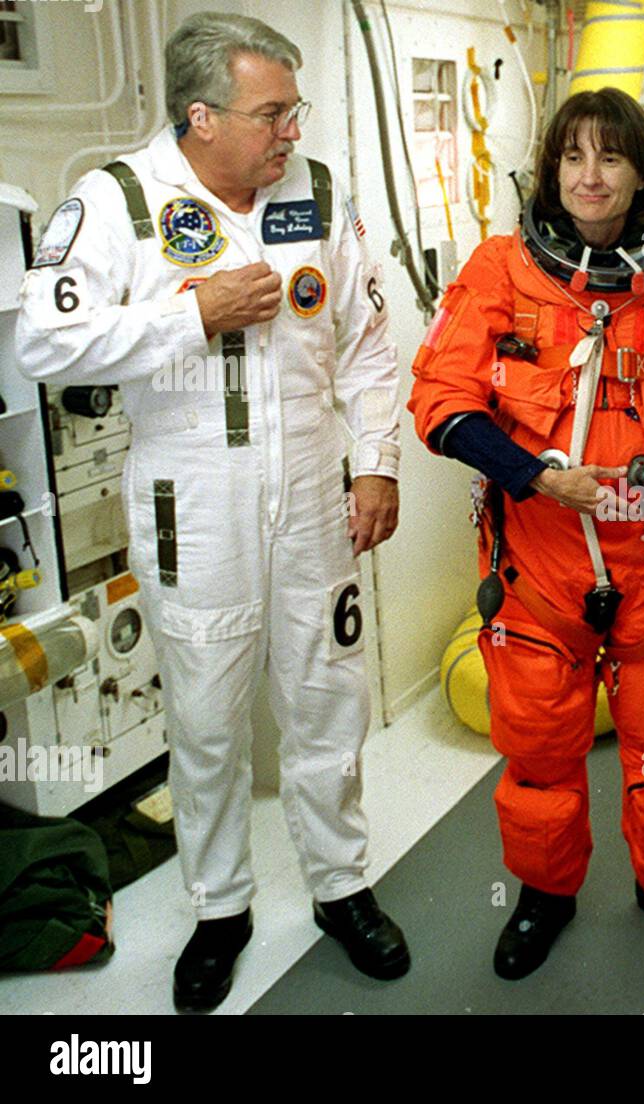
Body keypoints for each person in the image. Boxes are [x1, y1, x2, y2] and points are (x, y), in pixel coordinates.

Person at [16, 12, 409, 1012]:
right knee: (205, 723)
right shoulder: (119, 199)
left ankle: (341, 886)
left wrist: (376, 464)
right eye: (271, 113)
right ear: (201, 116)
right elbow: (45, 345)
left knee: (326, 701)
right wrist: (192, 313)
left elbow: (367, 345)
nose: (291, 130)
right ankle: (221, 909)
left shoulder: (317, 193)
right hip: (192, 503)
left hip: (313, 493)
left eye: (293, 109)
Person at [409, 88, 644, 979]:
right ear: (551, 173)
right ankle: (545, 896)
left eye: (610, 157)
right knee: (541, 756)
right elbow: (441, 402)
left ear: (641, 176)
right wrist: (537, 476)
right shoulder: (499, 273)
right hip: (540, 574)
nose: (590, 176)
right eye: (573, 157)